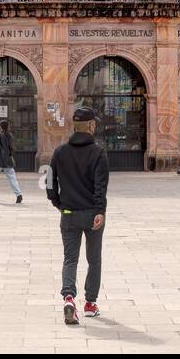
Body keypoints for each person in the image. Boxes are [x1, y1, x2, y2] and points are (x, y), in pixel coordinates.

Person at [47, 105, 109, 325]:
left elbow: (49, 182)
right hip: (93, 215)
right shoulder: (98, 152)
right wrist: (100, 211)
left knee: (70, 259)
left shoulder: (59, 152)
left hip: (69, 213)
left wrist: (58, 203)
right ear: (91, 126)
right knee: (94, 260)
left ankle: (69, 298)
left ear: (75, 126)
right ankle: (90, 303)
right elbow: (101, 186)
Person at [0, 120, 23, 204]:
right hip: (8, 160)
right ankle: (19, 195)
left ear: (0, 127)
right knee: (12, 178)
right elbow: (12, 148)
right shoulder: (9, 135)